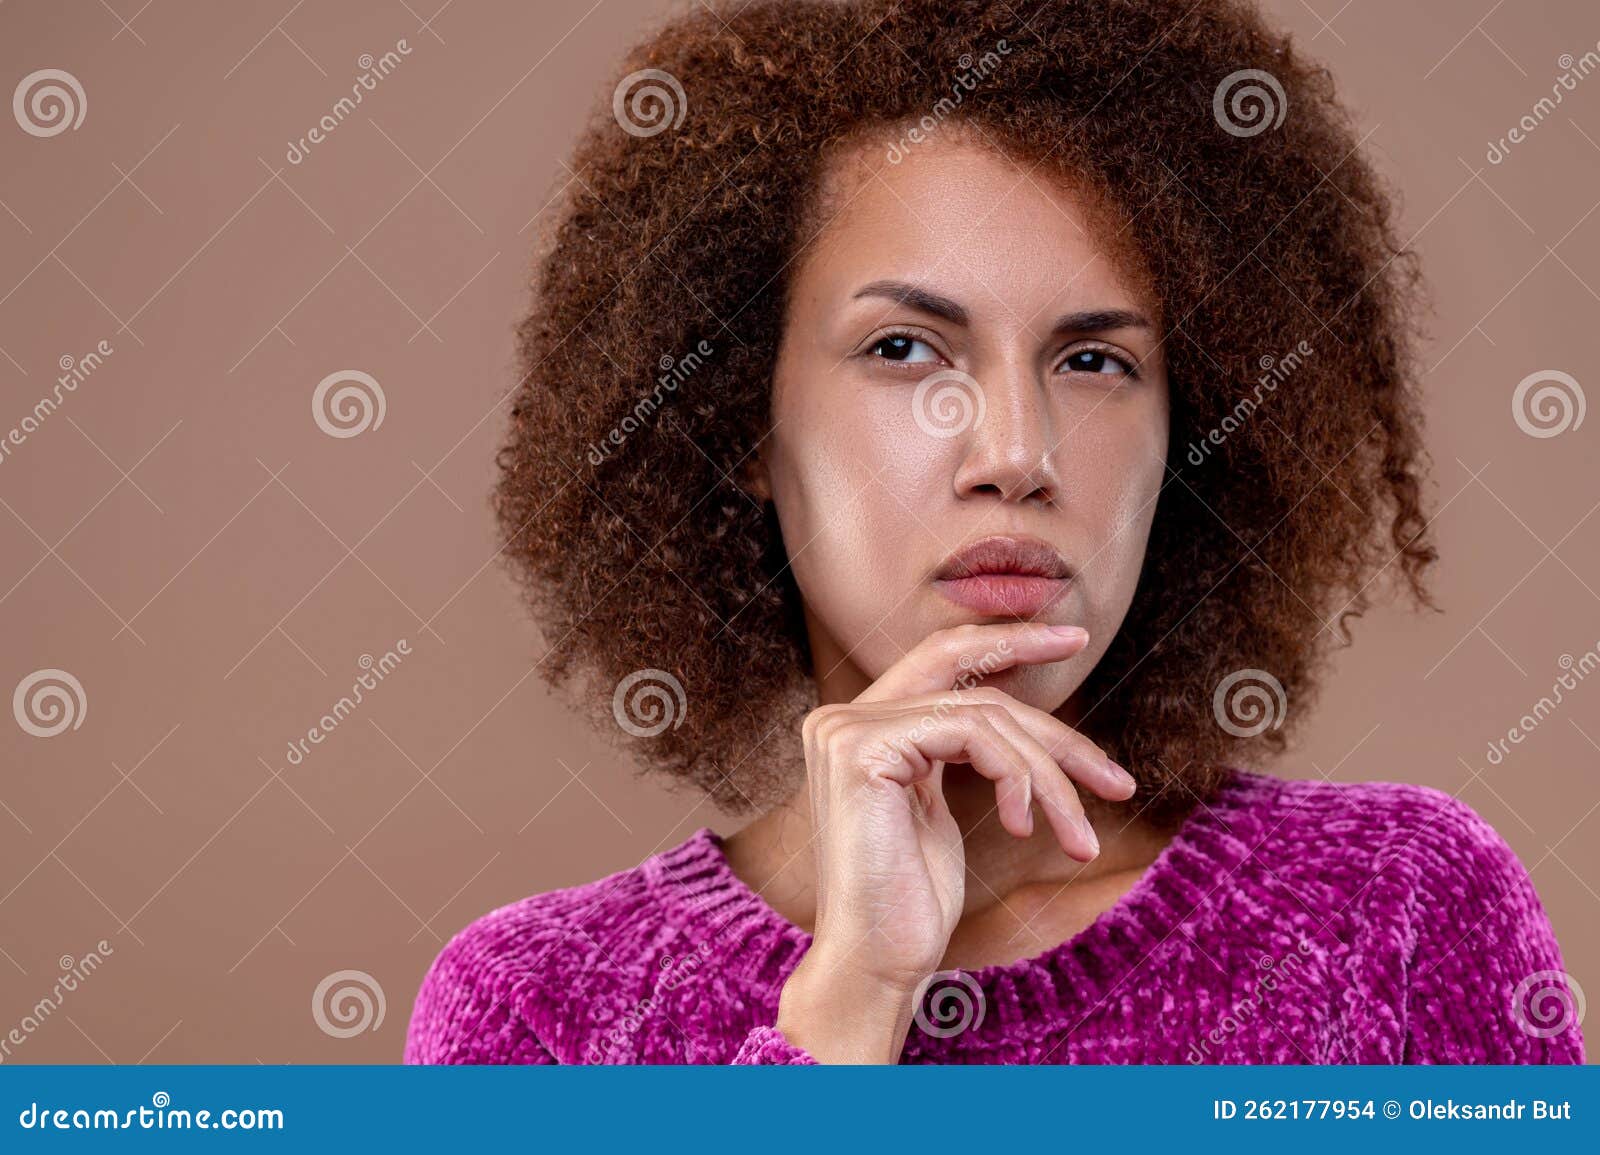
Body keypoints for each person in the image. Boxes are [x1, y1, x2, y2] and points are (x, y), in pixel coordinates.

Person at [403, 0, 1585, 1064]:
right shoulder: (536, 1015)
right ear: (741, 426)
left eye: (1092, 360)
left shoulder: (1393, 910)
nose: (1016, 453)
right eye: (904, 349)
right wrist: (851, 1003)